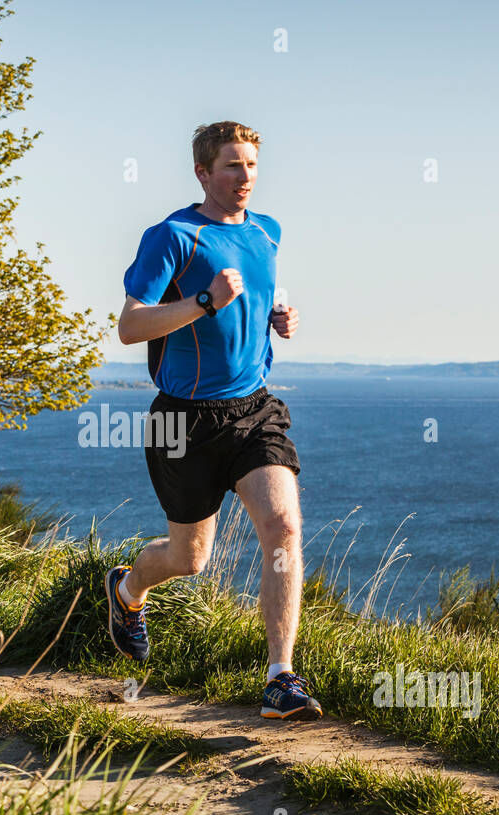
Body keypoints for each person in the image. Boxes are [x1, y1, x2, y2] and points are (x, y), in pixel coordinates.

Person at [106, 120, 322, 721]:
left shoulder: (268, 233)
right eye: (231, 166)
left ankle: (281, 676)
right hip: (183, 422)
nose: (244, 177)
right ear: (203, 172)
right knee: (190, 559)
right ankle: (127, 589)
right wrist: (203, 302)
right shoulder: (171, 237)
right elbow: (130, 326)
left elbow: (248, 305)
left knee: (282, 526)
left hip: (253, 409)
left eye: (251, 165)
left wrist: (275, 319)